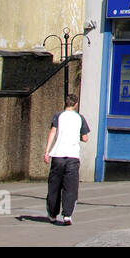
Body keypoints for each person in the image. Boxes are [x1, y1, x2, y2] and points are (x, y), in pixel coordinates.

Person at [45, 93, 90, 225]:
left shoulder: (58, 116)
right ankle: (67, 215)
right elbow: (85, 138)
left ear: (66, 103)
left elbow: (52, 132)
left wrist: (47, 152)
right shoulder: (80, 118)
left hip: (58, 155)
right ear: (76, 104)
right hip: (72, 157)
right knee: (70, 187)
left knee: (54, 186)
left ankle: (52, 214)